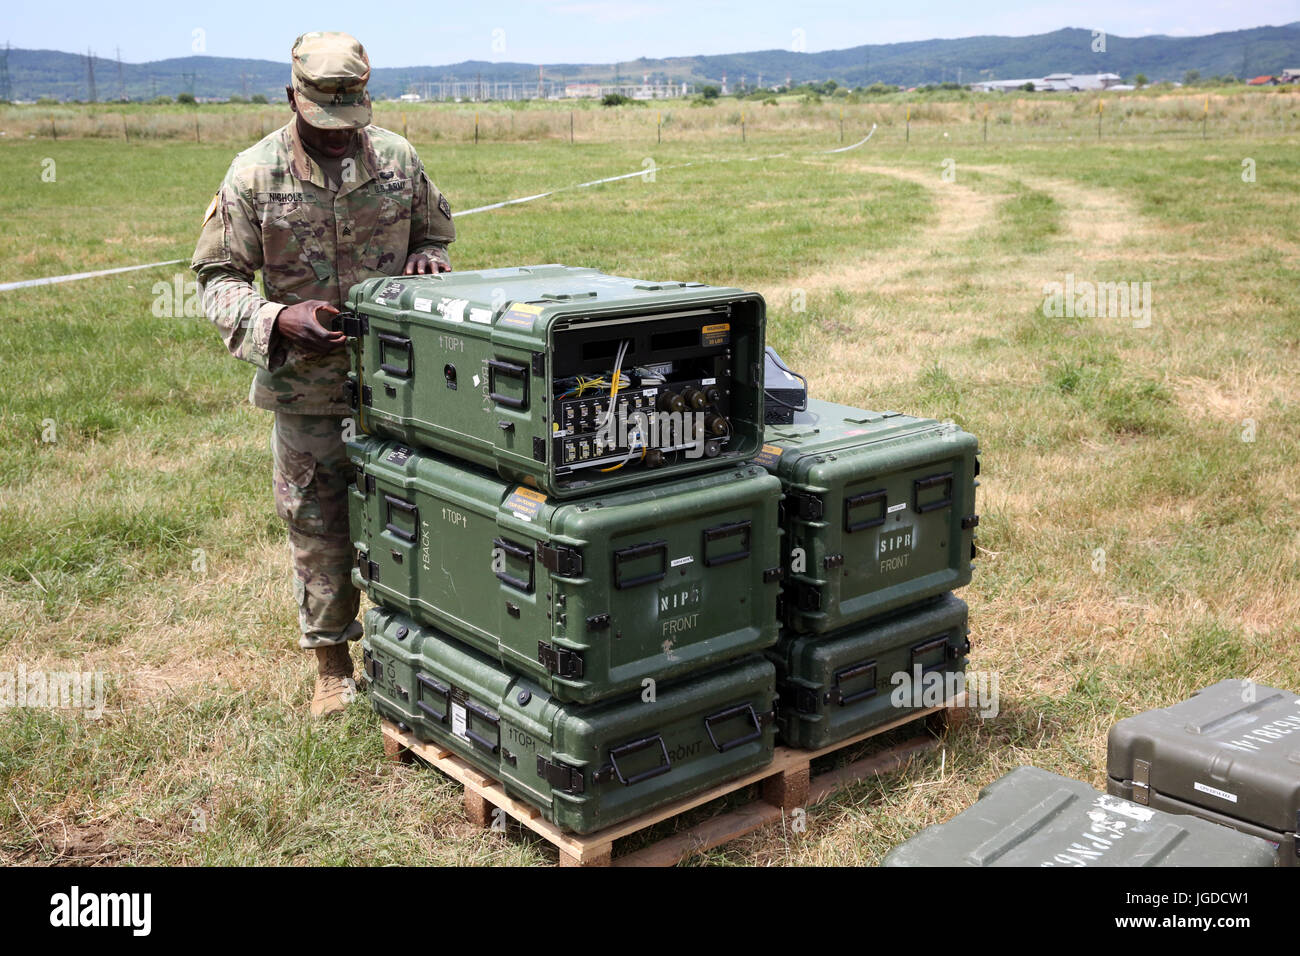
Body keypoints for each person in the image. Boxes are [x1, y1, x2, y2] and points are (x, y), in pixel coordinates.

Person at [191, 31, 455, 717]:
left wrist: (428, 257)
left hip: (403, 385)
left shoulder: (398, 159)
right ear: (292, 99)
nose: (340, 139)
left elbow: (434, 233)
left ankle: (419, 654)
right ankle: (333, 666)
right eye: (324, 126)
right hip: (307, 390)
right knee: (318, 523)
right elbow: (218, 277)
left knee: (419, 514)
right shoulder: (254, 174)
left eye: (351, 123)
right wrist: (276, 319)